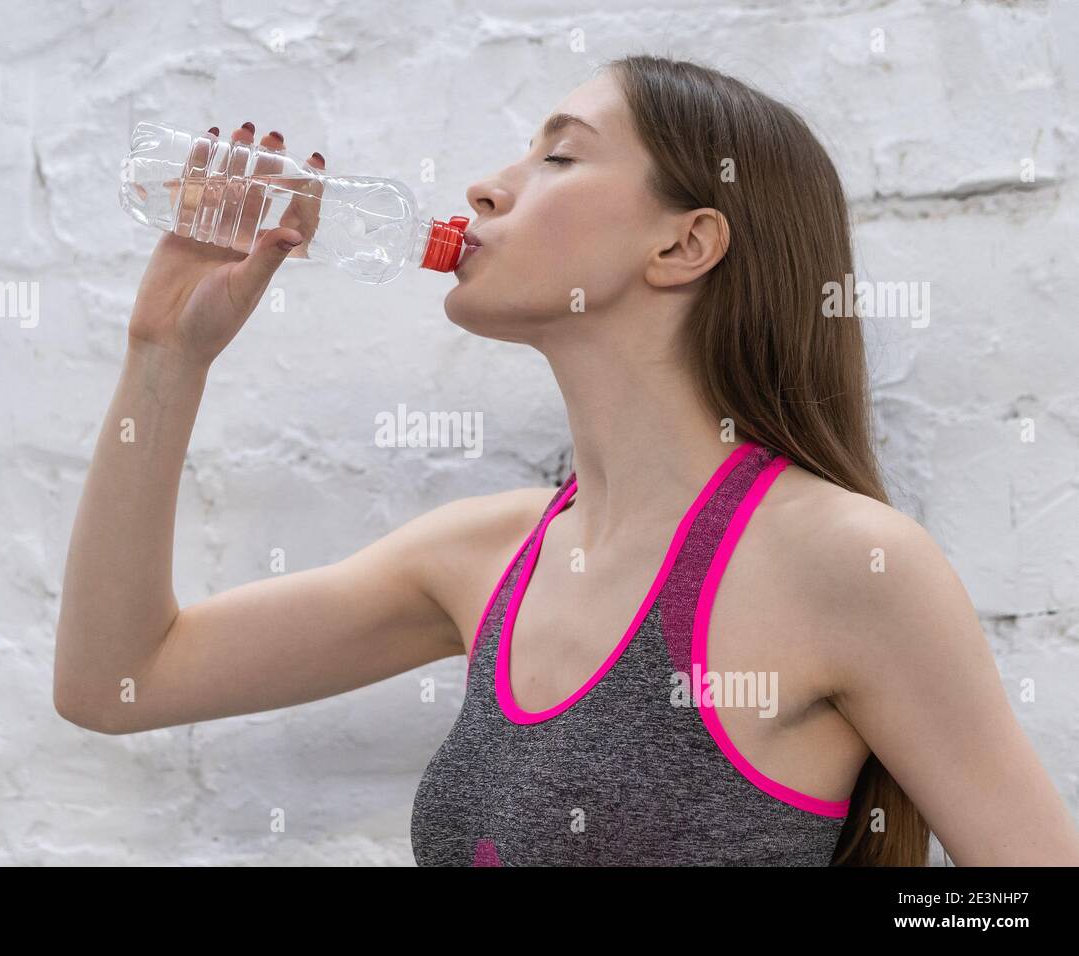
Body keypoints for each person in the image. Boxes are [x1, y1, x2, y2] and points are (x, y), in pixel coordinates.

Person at [53, 54, 1079, 866]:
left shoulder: (846, 562)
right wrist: (165, 354)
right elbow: (118, 680)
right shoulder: (480, 554)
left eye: (558, 156)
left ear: (683, 245)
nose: (485, 189)